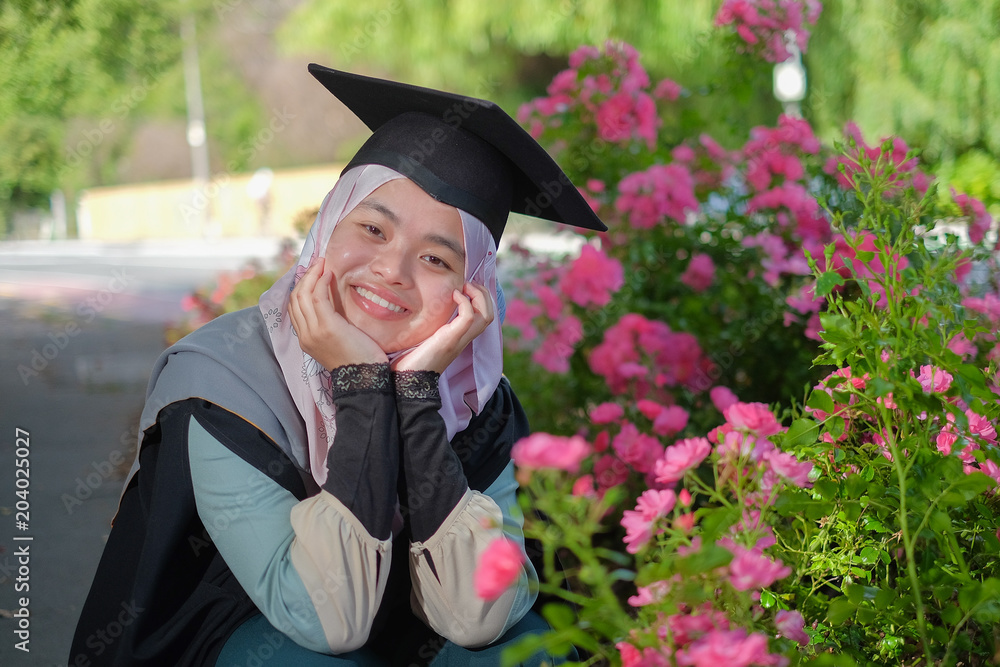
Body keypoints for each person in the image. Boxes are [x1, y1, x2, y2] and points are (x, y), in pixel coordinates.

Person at [70, 65, 606, 666]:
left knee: (525, 655)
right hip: (249, 635)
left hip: (409, 634)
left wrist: (416, 395)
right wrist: (362, 385)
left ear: (473, 290)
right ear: (326, 228)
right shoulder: (222, 382)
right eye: (372, 229)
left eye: (436, 259)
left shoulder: (478, 401)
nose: (392, 270)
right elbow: (326, 620)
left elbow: (479, 617)